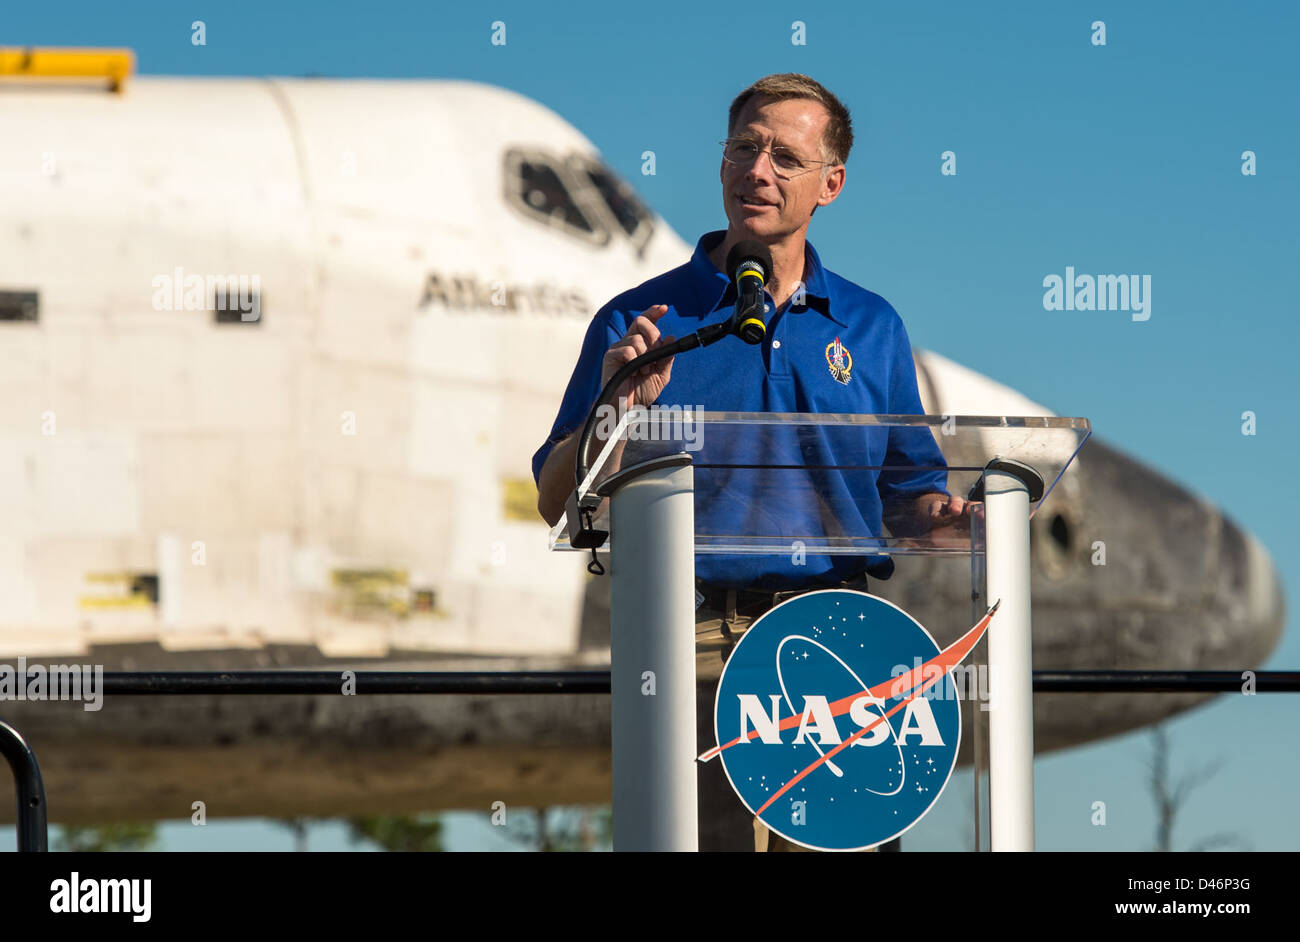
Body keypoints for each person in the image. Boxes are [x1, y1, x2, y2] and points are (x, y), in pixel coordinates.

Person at [533, 73, 968, 851]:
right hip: (694, 644)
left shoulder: (872, 327)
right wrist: (614, 405)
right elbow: (554, 498)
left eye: (785, 158)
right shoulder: (642, 321)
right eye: (744, 148)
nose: (757, 170)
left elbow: (911, 493)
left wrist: (960, 517)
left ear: (830, 184)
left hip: (845, 652)